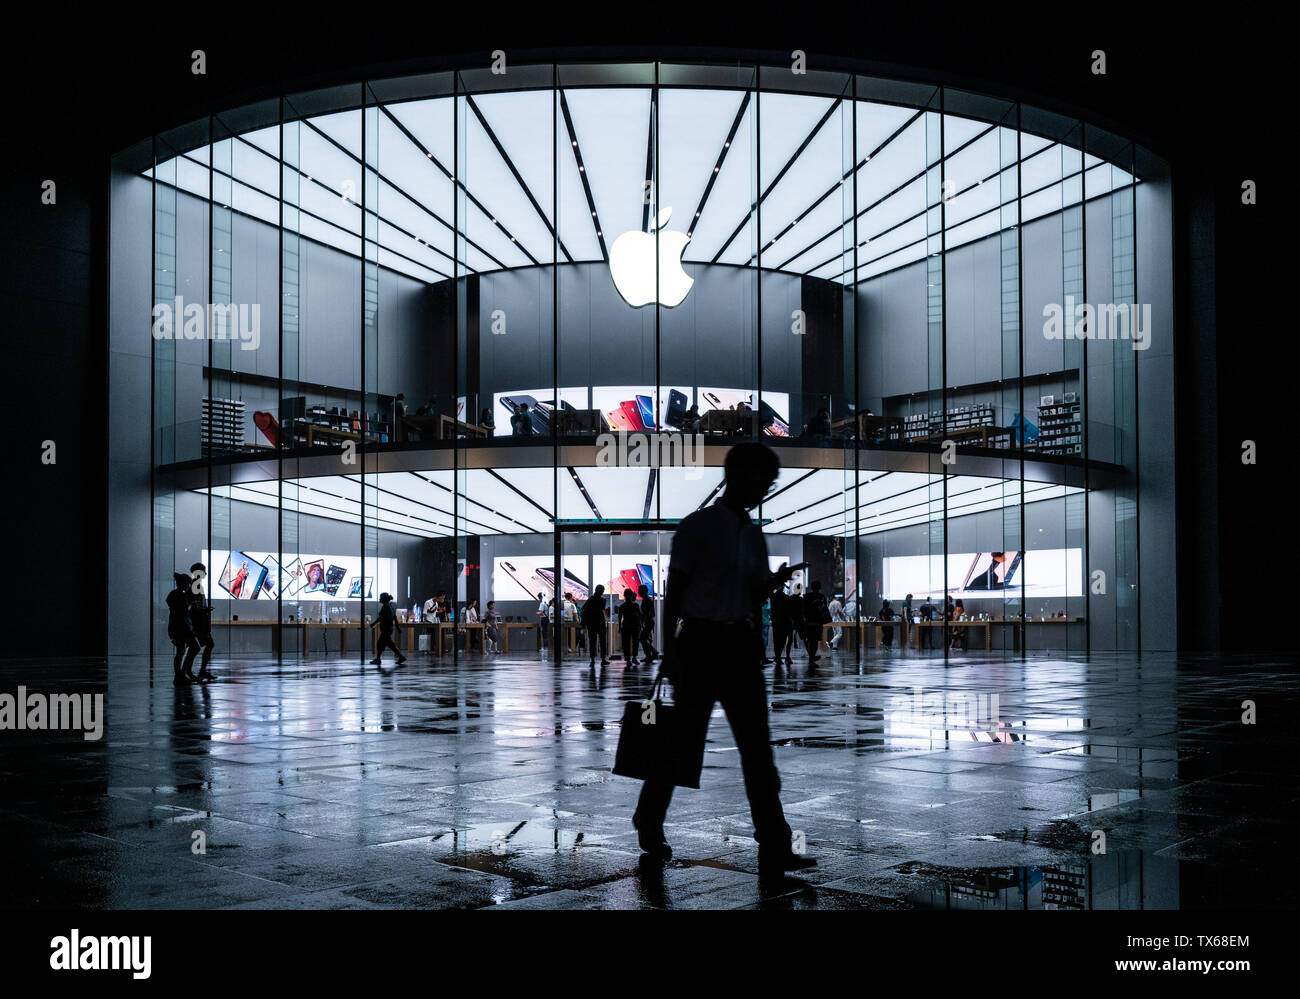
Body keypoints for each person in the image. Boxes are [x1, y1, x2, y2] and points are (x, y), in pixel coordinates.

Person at [633, 442, 815, 885]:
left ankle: (774, 839)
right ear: (740, 476)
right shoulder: (698, 528)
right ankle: (649, 817)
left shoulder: (753, 534)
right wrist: (670, 651)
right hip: (700, 642)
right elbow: (675, 593)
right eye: (763, 481)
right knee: (686, 744)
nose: (765, 490)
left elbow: (750, 594)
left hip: (738, 644)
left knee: (756, 750)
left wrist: (773, 582)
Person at [167, 571, 200, 683]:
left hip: (176, 627)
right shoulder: (180, 596)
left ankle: (180, 674)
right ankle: (182, 673)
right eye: (187, 584)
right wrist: (191, 605)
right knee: (194, 647)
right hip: (182, 627)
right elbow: (183, 611)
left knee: (180, 651)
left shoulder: (173, 594)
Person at [188, 562, 216, 681]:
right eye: (203, 570)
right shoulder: (196, 586)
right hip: (198, 622)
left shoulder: (196, 585)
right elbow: (193, 605)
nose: (205, 573)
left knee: (199, 646)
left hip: (199, 621)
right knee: (199, 646)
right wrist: (204, 610)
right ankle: (194, 670)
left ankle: (195, 670)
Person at [370, 592, 406, 667]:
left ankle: (400, 657)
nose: (379, 599)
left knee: (384, 644)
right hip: (389, 629)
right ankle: (379, 659)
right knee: (386, 644)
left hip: (386, 629)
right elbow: (395, 618)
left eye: (381, 597)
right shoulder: (390, 606)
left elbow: (381, 618)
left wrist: (373, 624)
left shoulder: (386, 606)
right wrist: (397, 627)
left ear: (384, 599)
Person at [803, 580, 831, 660]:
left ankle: (811, 657)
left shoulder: (806, 596)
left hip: (808, 622)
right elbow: (825, 609)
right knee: (815, 641)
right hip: (818, 622)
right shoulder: (821, 597)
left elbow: (803, 609)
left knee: (809, 639)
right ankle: (812, 657)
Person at [582, 585, 609, 666]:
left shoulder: (590, 599)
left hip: (591, 623)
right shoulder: (603, 600)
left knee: (592, 641)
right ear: (601, 591)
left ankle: (592, 660)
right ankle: (603, 659)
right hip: (600, 622)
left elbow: (584, 608)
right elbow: (602, 609)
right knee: (602, 641)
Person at [770, 586, 794, 664]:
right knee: (782, 640)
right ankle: (778, 657)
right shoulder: (786, 597)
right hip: (784, 621)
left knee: (777, 640)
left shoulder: (773, 597)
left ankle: (777, 657)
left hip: (776, 621)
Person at [618, 588, 641, 665]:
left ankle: (628, 659)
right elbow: (639, 616)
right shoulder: (636, 605)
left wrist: (619, 628)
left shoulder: (622, 606)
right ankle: (634, 657)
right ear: (631, 596)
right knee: (635, 642)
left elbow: (619, 617)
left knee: (626, 643)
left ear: (624, 596)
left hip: (626, 626)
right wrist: (640, 626)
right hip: (635, 626)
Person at [637, 584, 659, 662]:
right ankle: (649, 656)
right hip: (649, 622)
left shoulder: (646, 600)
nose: (638, 592)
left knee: (642, 639)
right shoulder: (647, 599)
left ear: (643, 591)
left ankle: (654, 652)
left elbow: (646, 613)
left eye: (639, 590)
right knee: (645, 639)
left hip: (647, 622)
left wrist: (643, 622)